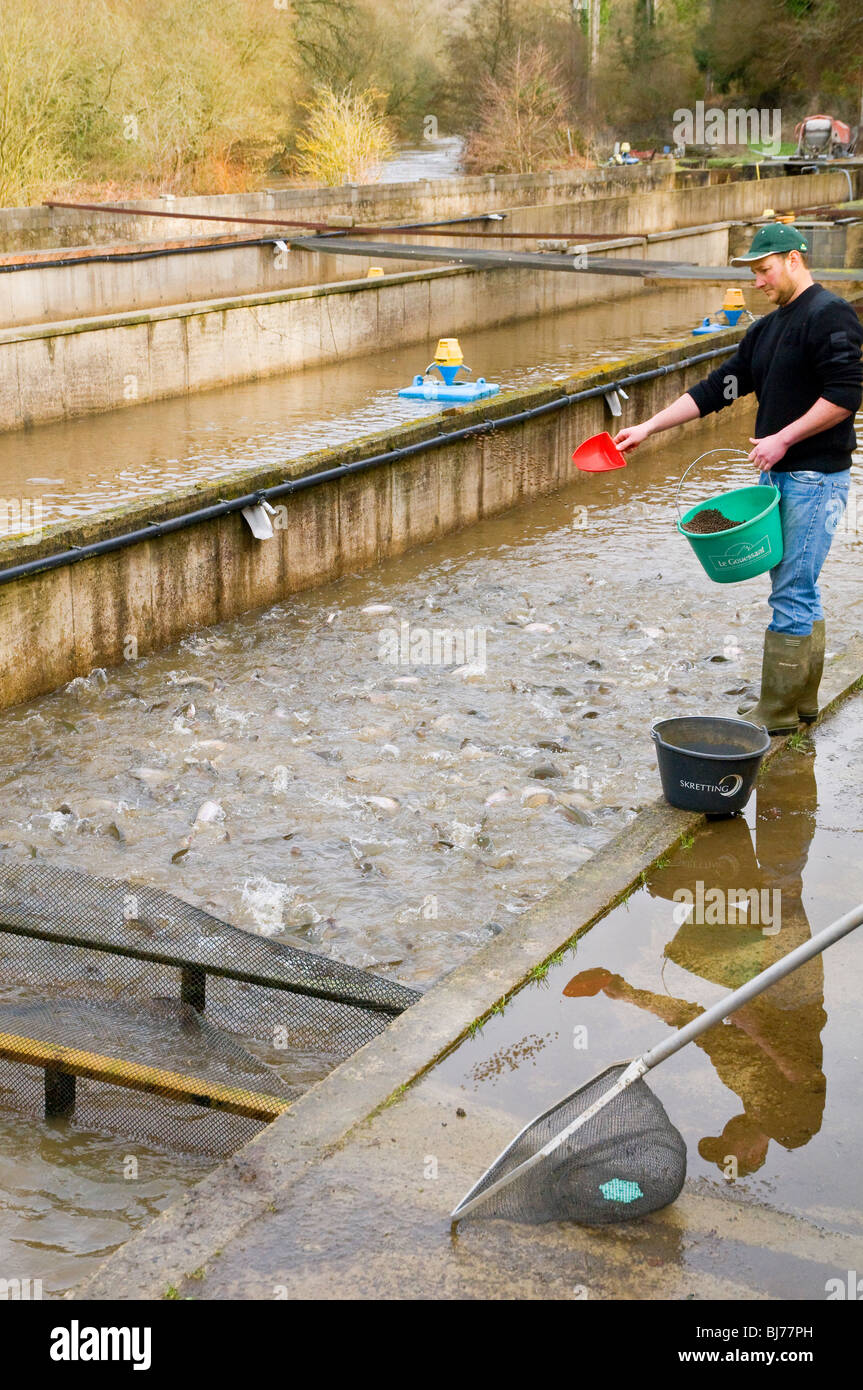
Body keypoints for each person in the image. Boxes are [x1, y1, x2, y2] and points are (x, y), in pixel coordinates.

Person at [613, 223, 863, 734]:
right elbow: (715, 390)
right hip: (781, 477)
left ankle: (776, 714)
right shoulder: (766, 331)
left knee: (790, 587)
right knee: (797, 584)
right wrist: (649, 427)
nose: (758, 283)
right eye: (753, 274)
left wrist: (783, 438)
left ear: (793, 260)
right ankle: (802, 704)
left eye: (764, 271)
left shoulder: (829, 314)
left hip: (816, 476)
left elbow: (843, 396)